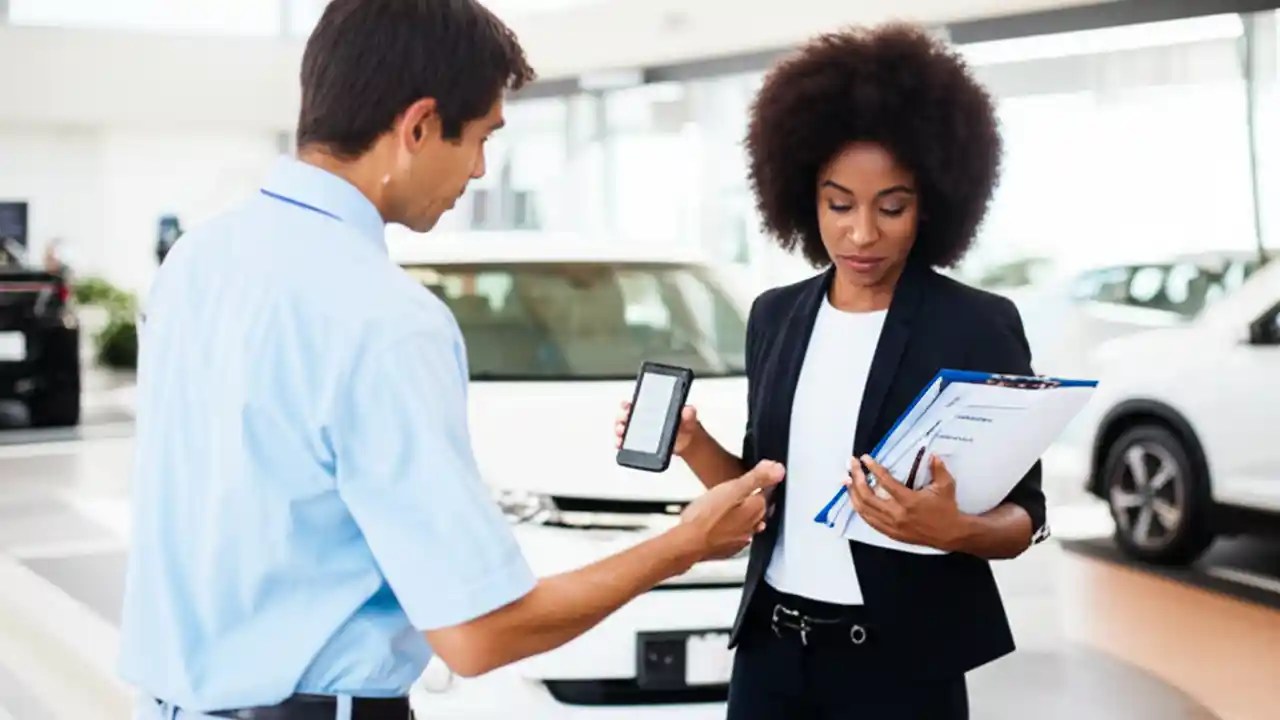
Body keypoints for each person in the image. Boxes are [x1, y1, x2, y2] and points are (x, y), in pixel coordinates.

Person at [118, 2, 784, 719]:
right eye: (481, 138)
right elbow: (478, 634)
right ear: (419, 126)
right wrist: (684, 544)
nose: (479, 170)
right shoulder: (386, 317)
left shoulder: (196, 260)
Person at [615, 23, 1049, 719]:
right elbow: (761, 496)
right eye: (838, 204)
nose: (862, 234)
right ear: (802, 196)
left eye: (892, 207)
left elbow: (1026, 515)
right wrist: (693, 447)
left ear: (931, 201)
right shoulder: (776, 316)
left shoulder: (975, 324)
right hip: (772, 658)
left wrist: (954, 531)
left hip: (900, 668)